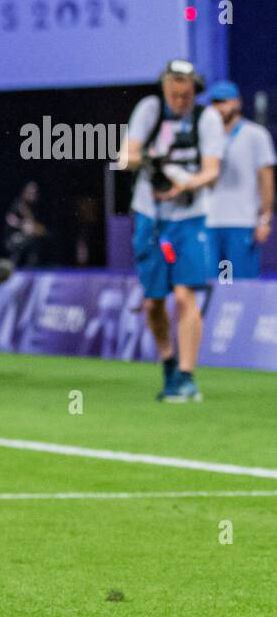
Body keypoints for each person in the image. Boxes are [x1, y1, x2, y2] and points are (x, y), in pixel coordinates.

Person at [121, 59, 224, 402]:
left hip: (190, 218)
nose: (179, 98)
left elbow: (212, 170)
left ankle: (187, 375)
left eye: (186, 92)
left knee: (184, 296)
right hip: (151, 217)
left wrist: (187, 183)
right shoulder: (149, 110)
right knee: (153, 303)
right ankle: (168, 362)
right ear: (165, 87)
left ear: (194, 89)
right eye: (173, 90)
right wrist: (146, 160)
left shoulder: (205, 119)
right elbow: (126, 154)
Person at [203, 80, 274, 281]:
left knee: (240, 285)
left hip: (242, 222)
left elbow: (266, 180)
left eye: (224, 102)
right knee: (212, 286)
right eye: (214, 102)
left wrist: (265, 219)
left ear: (237, 103)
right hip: (210, 222)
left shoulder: (257, 135)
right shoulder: (206, 136)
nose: (219, 108)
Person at [5, 180, 46, 267]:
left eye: (35, 192)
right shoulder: (18, 204)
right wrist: (22, 225)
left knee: (37, 241)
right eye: (30, 192)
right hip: (14, 236)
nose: (33, 194)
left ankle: (32, 268)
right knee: (21, 243)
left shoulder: (36, 206)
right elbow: (10, 220)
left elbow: (38, 226)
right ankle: (13, 267)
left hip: (31, 236)